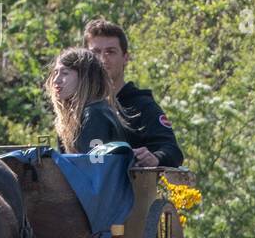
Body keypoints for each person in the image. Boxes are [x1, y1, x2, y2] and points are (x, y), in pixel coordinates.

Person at [82, 17, 183, 167]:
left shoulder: (142, 106)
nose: (102, 59)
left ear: (125, 58)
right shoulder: (77, 107)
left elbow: (172, 151)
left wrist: (154, 158)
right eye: (96, 52)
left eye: (110, 52)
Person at [45, 47, 129, 154]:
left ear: (84, 78)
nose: (56, 80)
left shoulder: (95, 115)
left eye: (65, 73)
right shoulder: (72, 118)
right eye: (56, 72)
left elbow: (94, 164)